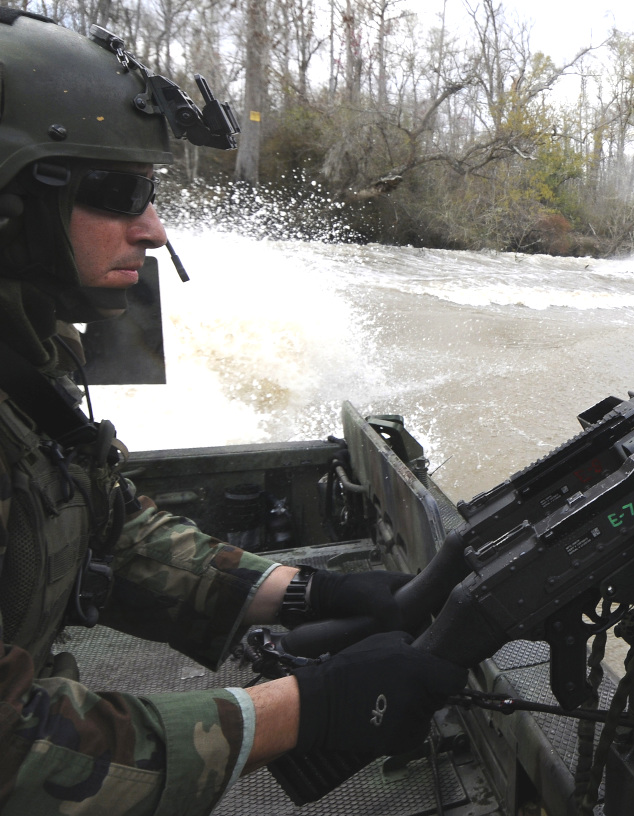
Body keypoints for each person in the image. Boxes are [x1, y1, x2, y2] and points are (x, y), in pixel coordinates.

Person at [0, 10, 466, 814]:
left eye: (151, 192)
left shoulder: (33, 345)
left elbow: (107, 525)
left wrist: (311, 593)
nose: (154, 229)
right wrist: (297, 713)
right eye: (118, 192)